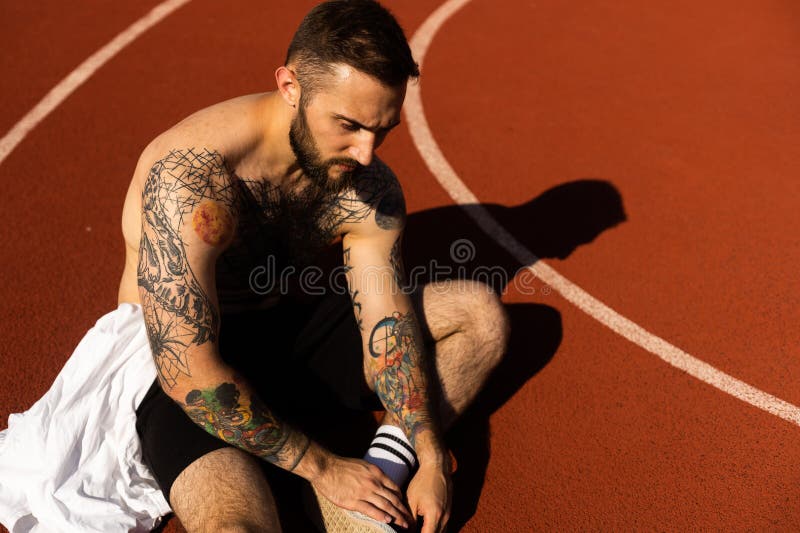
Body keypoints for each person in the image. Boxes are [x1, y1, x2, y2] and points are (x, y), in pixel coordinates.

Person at [121, 1, 510, 531]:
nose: (367, 153)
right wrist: (323, 467)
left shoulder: (369, 187)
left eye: (383, 129)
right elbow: (190, 376)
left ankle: (370, 486)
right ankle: (329, 487)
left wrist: (430, 453)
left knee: (479, 315)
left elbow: (385, 329)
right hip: (180, 367)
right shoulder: (190, 181)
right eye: (348, 125)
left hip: (285, 332)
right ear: (290, 86)